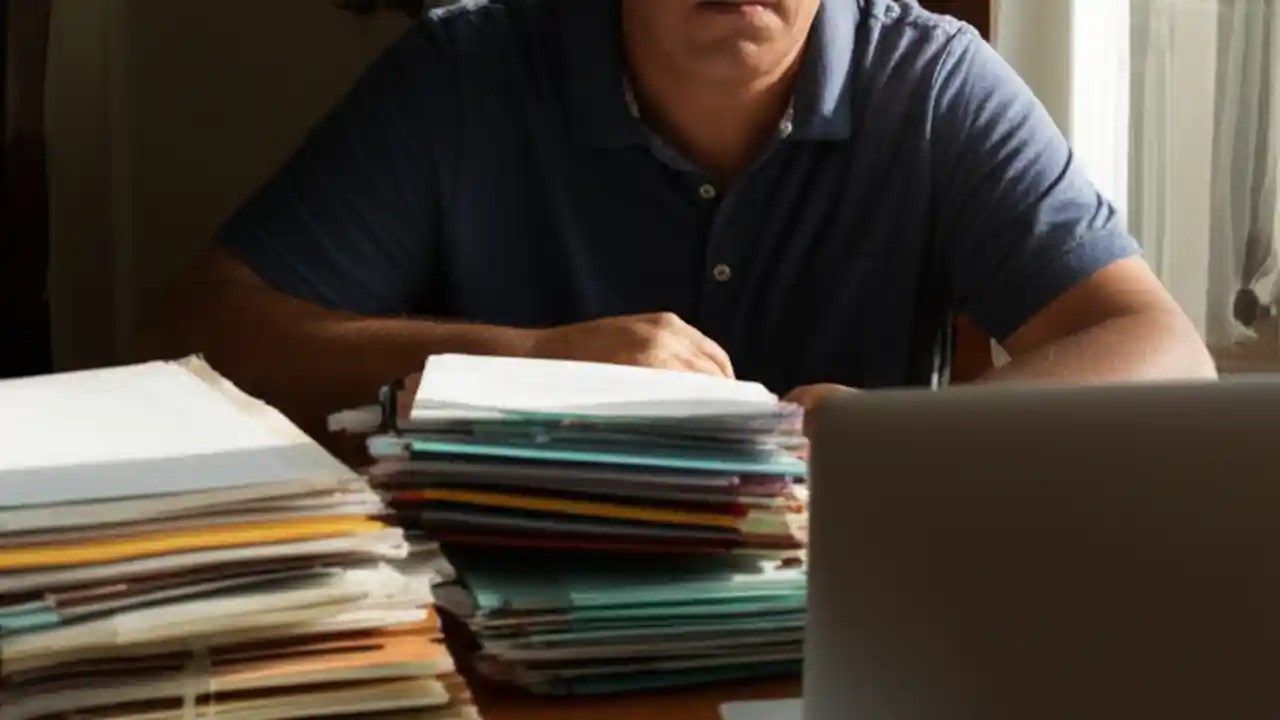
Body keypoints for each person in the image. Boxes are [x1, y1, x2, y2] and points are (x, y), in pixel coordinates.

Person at [137, 0, 1215, 435]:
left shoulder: (931, 84)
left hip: (837, 623)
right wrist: (518, 361)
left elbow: (1161, 351)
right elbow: (189, 334)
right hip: (505, 619)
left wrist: (906, 443)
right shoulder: (462, 73)